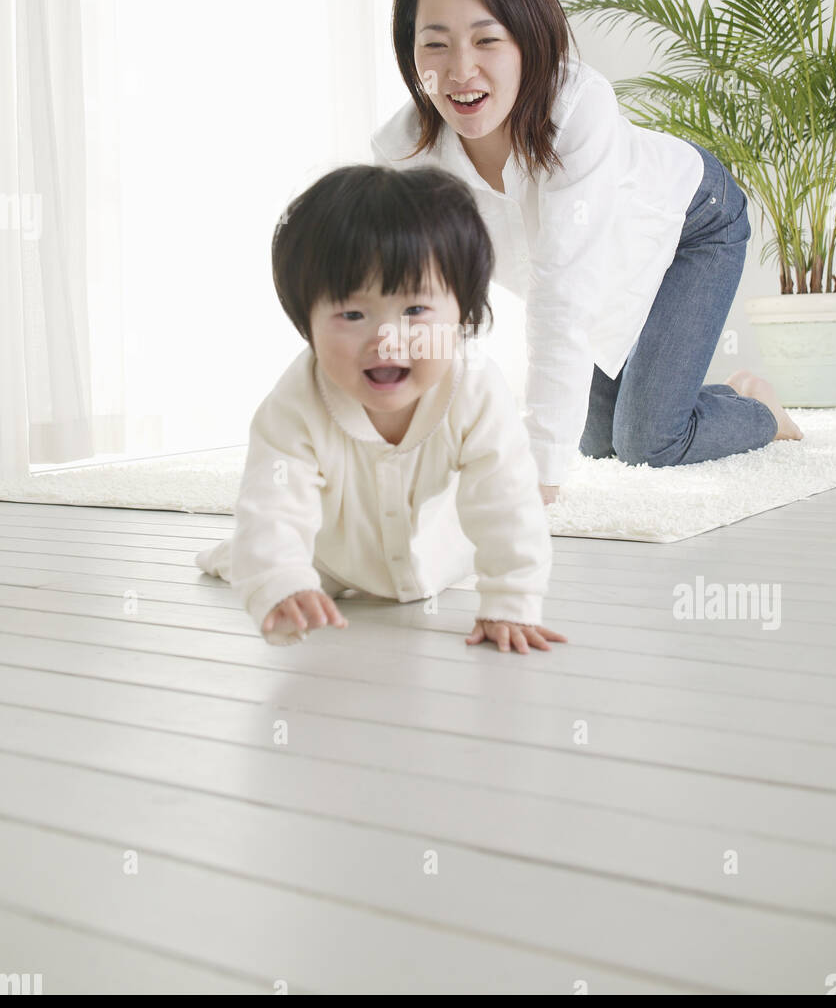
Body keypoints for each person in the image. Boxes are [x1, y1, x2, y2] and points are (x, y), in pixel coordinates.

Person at [371, 0, 802, 506]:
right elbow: (419, 304)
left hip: (694, 223)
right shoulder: (405, 154)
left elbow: (563, 293)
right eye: (436, 44)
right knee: (598, 440)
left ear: (528, 38)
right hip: (606, 263)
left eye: (486, 39)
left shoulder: (576, 109)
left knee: (649, 441)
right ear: (410, 53)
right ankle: (698, 393)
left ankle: (762, 413)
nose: (461, 70)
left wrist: (539, 481)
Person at [194, 164, 564, 656]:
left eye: (415, 311)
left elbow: (508, 502)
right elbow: (273, 505)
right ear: (306, 320)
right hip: (330, 556)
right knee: (262, 554)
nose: (387, 339)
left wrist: (511, 602)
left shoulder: (474, 388)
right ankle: (238, 557)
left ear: (464, 312)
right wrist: (279, 582)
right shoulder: (296, 403)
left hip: (442, 558)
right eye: (351, 314)